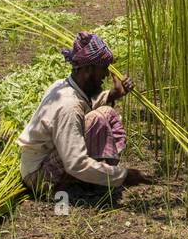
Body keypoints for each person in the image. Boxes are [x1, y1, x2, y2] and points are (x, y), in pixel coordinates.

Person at [18, 31, 149, 196]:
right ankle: (85, 183)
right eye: (102, 69)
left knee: (105, 113)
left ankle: (95, 176)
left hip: (44, 161)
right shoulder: (68, 107)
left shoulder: (64, 86)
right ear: (87, 69)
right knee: (98, 119)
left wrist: (114, 94)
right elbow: (76, 163)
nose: (106, 74)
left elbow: (85, 105)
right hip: (39, 176)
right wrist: (122, 176)